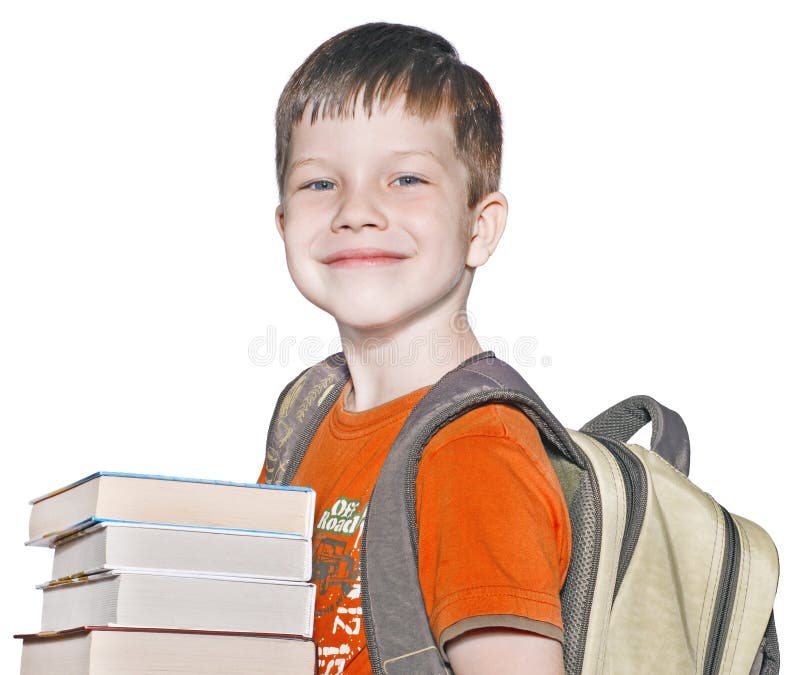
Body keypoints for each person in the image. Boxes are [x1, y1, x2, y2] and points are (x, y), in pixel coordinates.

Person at [257, 22, 571, 674]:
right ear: (284, 224)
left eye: (405, 180)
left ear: (478, 230)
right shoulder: (305, 416)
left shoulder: (477, 451)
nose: (357, 209)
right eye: (320, 183)